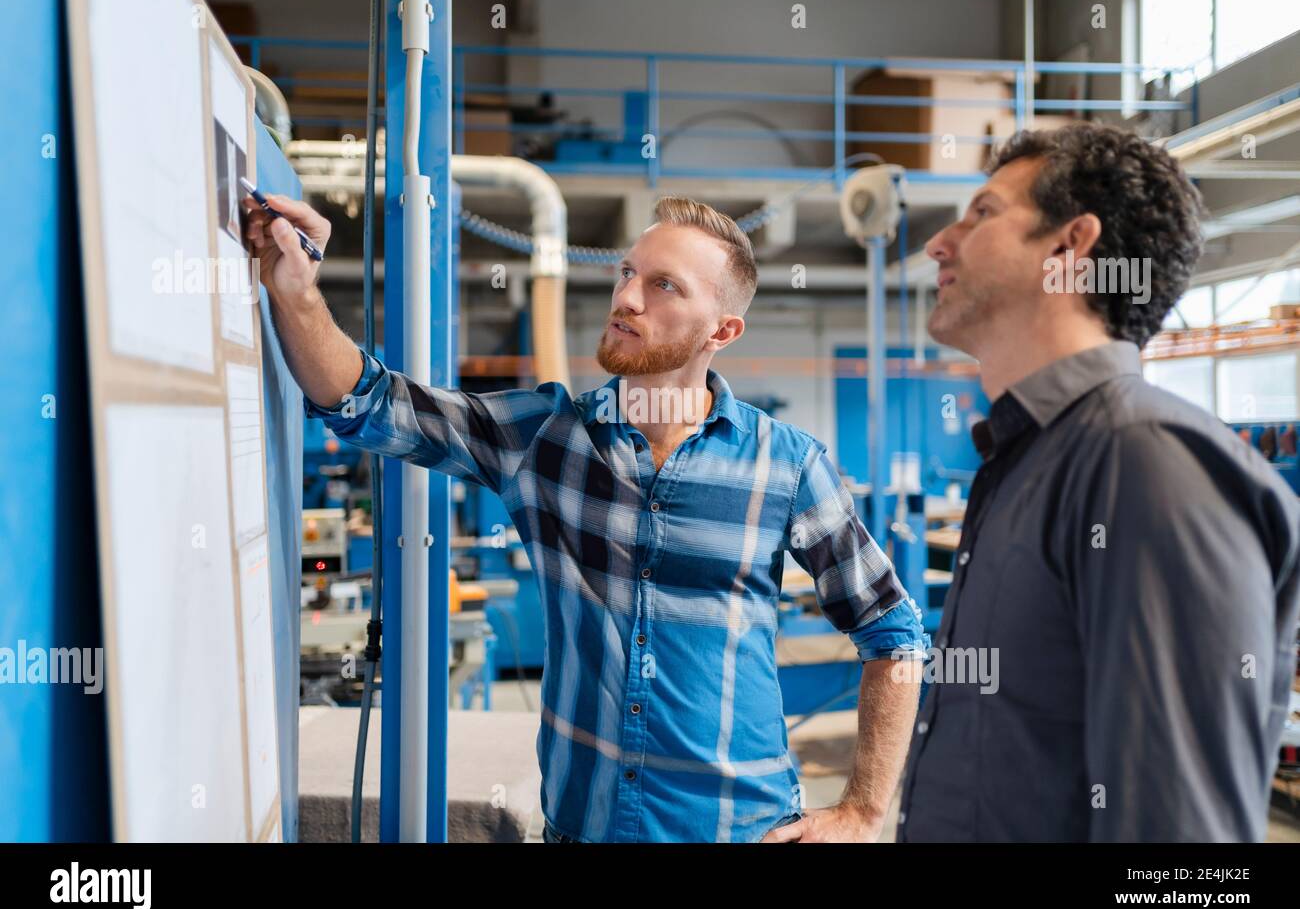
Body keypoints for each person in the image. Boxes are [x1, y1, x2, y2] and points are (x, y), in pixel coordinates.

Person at [244, 192, 926, 843]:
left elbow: (892, 632)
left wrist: (865, 810)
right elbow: (366, 402)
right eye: (628, 273)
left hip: (744, 830)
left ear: (722, 330)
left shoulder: (787, 465)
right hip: (584, 826)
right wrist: (296, 290)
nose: (627, 297)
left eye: (665, 286)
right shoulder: (544, 439)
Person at [897, 122, 1300, 841]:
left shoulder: (1142, 463)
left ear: (1067, 247)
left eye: (983, 213)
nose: (939, 243)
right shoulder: (1023, 462)